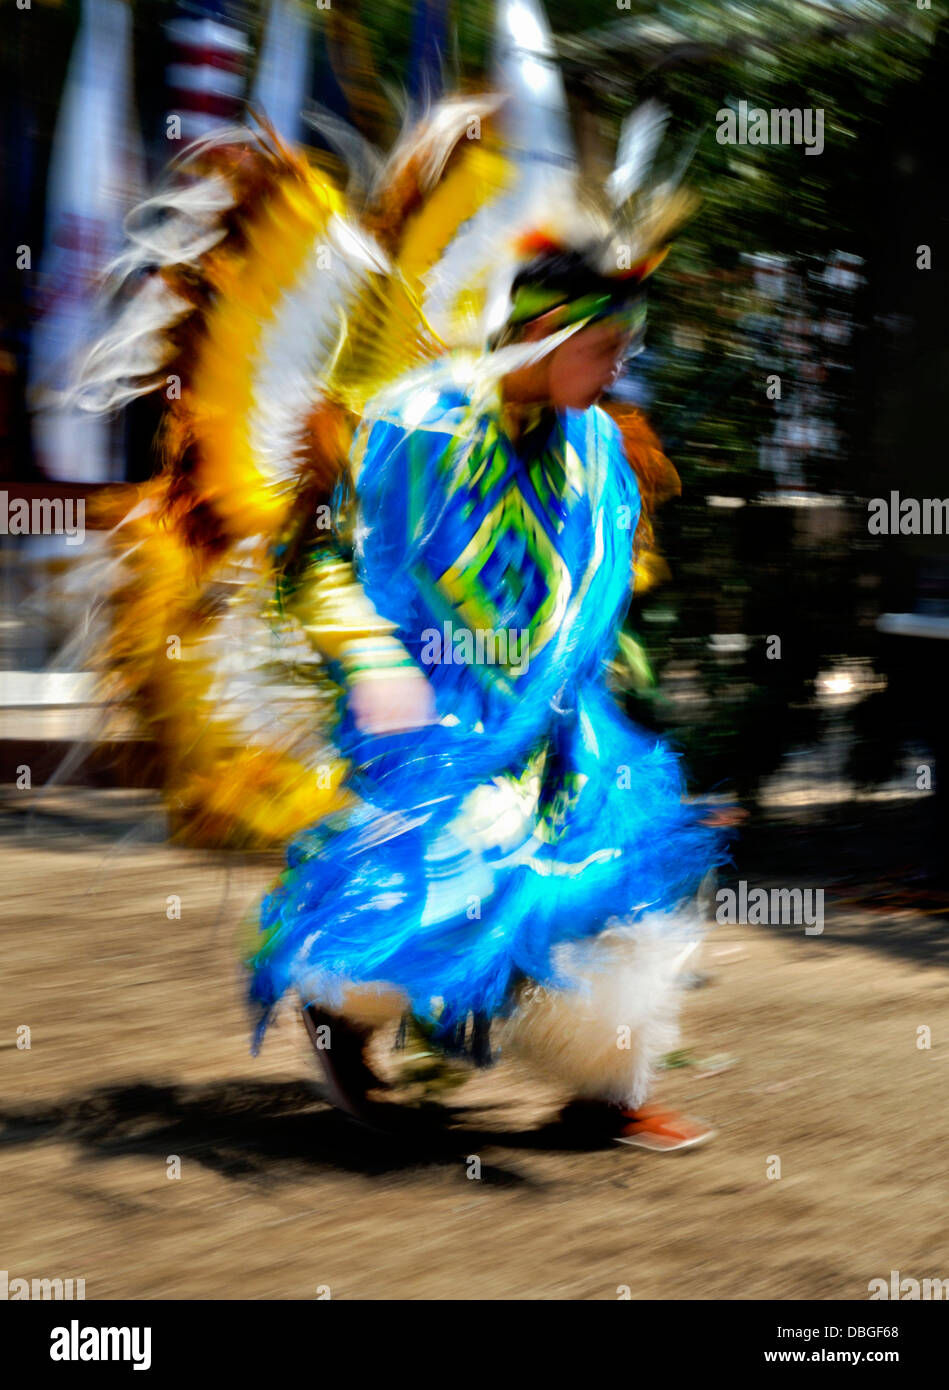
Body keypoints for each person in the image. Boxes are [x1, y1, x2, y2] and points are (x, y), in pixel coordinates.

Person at [246, 244, 727, 1151]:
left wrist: (573, 682)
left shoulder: (590, 443)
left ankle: (607, 1089)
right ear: (545, 332)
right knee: (452, 870)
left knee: (622, 855)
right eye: (610, 345)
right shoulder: (418, 425)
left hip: (550, 711)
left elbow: (587, 582)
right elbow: (320, 561)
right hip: (429, 713)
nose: (622, 366)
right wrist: (373, 664)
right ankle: (341, 1015)